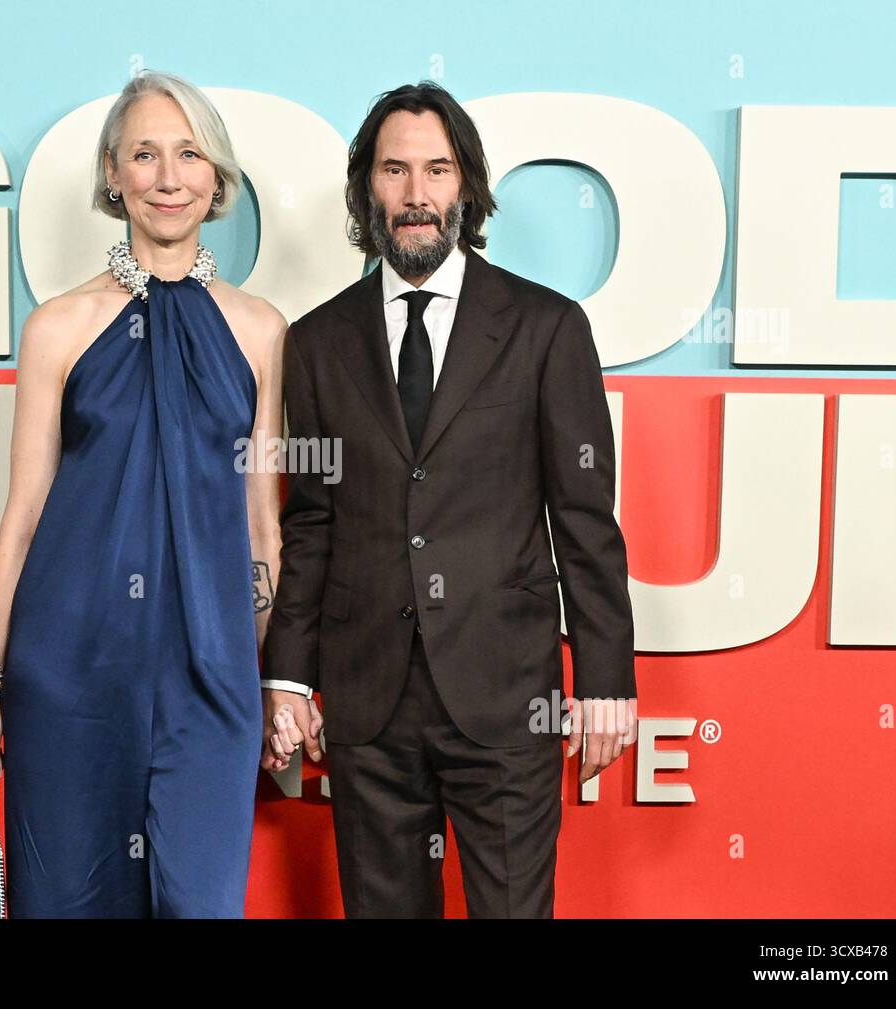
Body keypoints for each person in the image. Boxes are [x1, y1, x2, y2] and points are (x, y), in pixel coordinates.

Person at [260, 81, 638, 918]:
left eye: (438, 170)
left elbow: (583, 518)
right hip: (367, 701)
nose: (417, 194)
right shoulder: (318, 341)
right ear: (367, 190)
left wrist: (606, 677)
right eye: (395, 171)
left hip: (506, 697)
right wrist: (286, 673)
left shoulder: (546, 328)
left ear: (467, 184)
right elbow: (312, 520)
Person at [0, 69, 287, 918]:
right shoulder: (57, 327)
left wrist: (276, 677)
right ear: (113, 173)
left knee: (201, 901)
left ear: (217, 177)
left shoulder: (260, 329)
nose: (168, 177)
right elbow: (24, 511)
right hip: (70, 671)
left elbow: (262, 525)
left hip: (212, 677)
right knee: (70, 900)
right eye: (145, 154)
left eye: (189, 155)